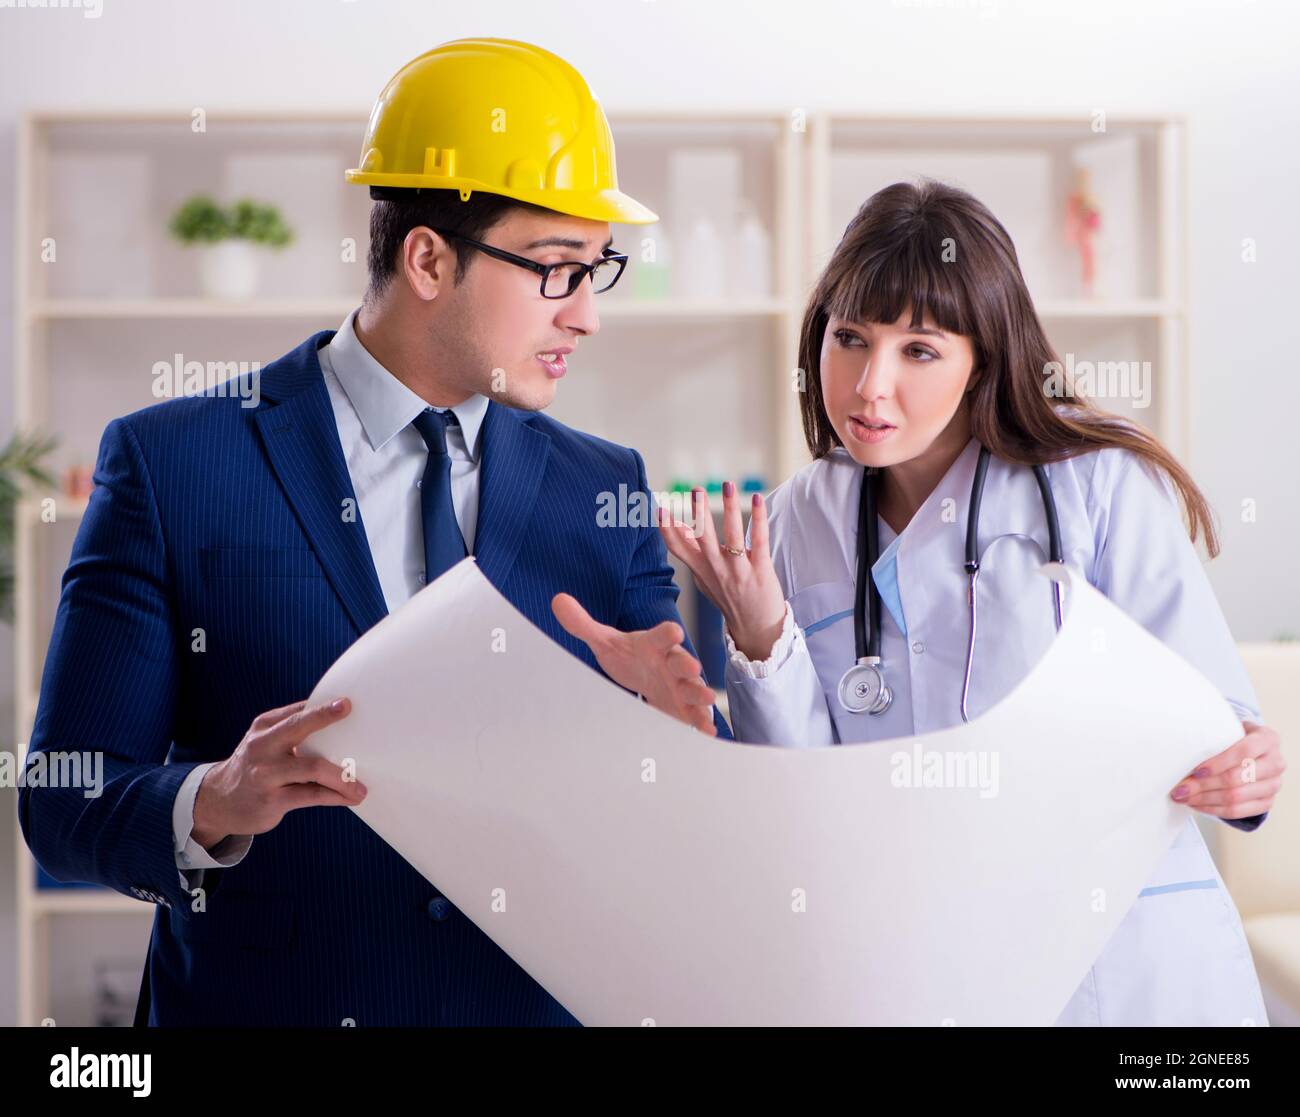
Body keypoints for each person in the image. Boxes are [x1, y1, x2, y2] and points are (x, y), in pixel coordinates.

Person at [19, 38, 725, 1027]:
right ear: (428, 257)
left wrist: (681, 747)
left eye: (593, 269)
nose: (587, 317)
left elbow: (679, 810)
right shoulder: (175, 464)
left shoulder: (601, 488)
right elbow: (64, 802)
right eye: (556, 271)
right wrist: (212, 801)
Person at [660, 178, 1284, 1026]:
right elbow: (805, 797)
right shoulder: (804, 515)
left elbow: (1218, 730)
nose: (869, 386)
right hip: (920, 961)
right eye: (850, 339)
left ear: (982, 359)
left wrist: (1240, 767)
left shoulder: (1094, 487)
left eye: (919, 350)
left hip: (1124, 973)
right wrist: (758, 627)